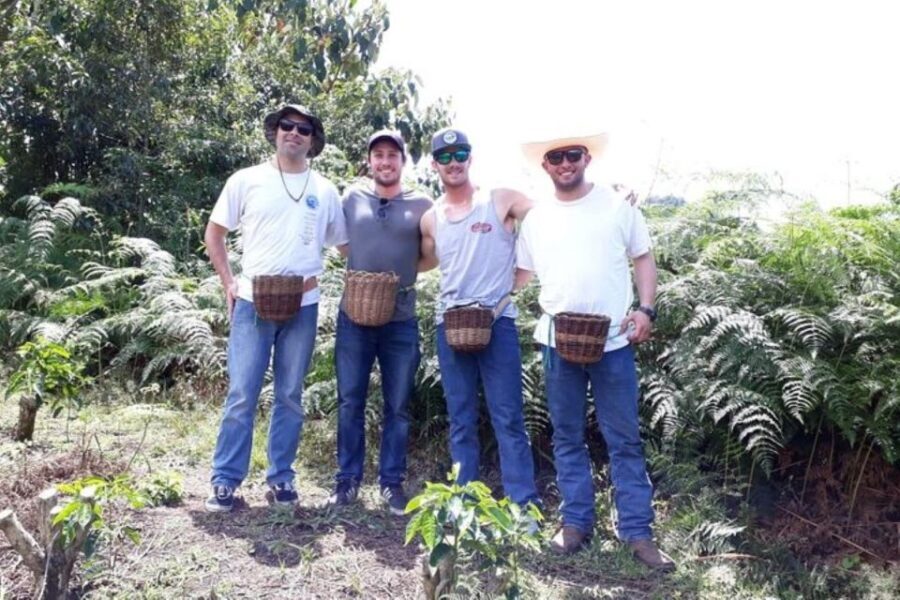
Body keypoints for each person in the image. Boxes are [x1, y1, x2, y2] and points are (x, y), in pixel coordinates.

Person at [515, 133, 675, 570]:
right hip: (556, 342)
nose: (565, 163)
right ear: (545, 165)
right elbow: (521, 273)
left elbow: (643, 257)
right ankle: (576, 524)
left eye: (572, 155)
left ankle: (639, 533)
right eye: (555, 157)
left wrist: (645, 309)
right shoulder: (536, 218)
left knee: (624, 438)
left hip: (615, 343)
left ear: (586, 158)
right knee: (567, 436)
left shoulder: (617, 206)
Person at [204, 104, 348, 512]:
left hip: (304, 303)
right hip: (252, 302)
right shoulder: (246, 180)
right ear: (275, 132)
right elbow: (214, 233)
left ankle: (281, 478)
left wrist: (395, 253)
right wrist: (228, 281)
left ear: (313, 140)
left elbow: (345, 245)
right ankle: (226, 480)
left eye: (304, 129)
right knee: (242, 393)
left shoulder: (325, 190)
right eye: (287, 126)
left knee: (289, 394)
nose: (294, 133)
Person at [419, 127, 540, 509]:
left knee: (508, 418)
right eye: (444, 156)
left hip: (498, 322)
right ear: (435, 164)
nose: (453, 163)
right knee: (460, 418)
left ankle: (523, 508)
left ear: (471, 158)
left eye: (460, 154)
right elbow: (422, 263)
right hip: (450, 325)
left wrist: (522, 277)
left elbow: (547, 223)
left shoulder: (500, 199)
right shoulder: (431, 218)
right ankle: (464, 505)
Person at [330, 130, 433, 515]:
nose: (385, 162)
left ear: (403, 162)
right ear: (369, 161)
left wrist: (399, 277)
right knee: (349, 400)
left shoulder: (422, 203)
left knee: (398, 406)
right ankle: (347, 481)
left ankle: (391, 484)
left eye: (393, 155)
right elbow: (342, 243)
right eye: (378, 155)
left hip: (401, 319)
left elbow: (429, 256)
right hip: (354, 316)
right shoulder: (351, 197)